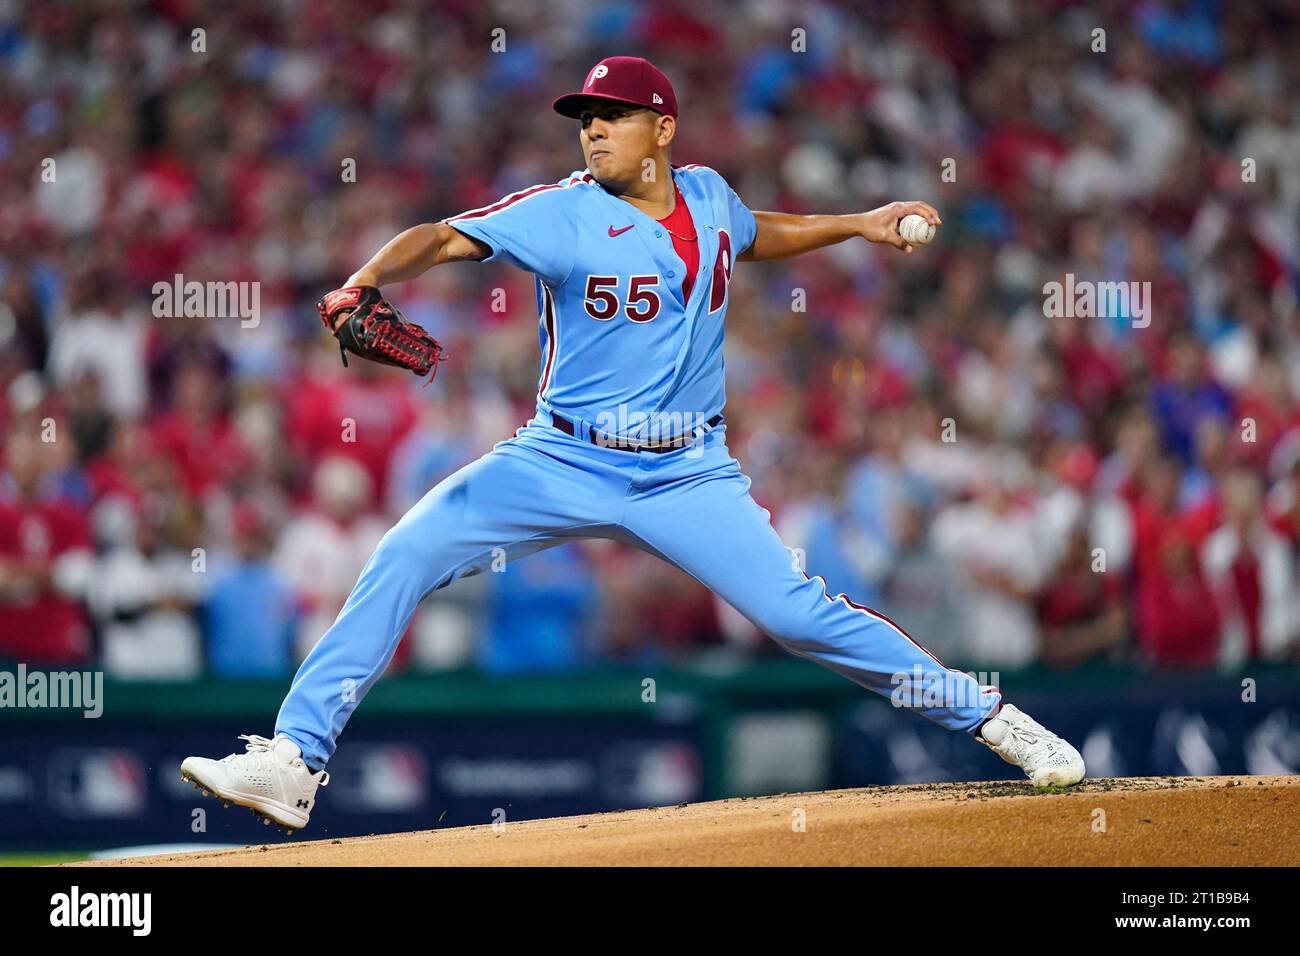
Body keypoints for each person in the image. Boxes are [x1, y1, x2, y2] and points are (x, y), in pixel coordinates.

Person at [181, 56, 1084, 832]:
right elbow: (447, 238)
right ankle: (296, 760)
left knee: (802, 616)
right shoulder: (559, 212)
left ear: (662, 128)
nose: (593, 131)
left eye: (612, 117)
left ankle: (995, 720)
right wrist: (367, 277)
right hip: (560, 459)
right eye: (585, 118)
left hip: (686, 473)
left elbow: (754, 234)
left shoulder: (709, 196)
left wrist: (854, 224)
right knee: (405, 550)